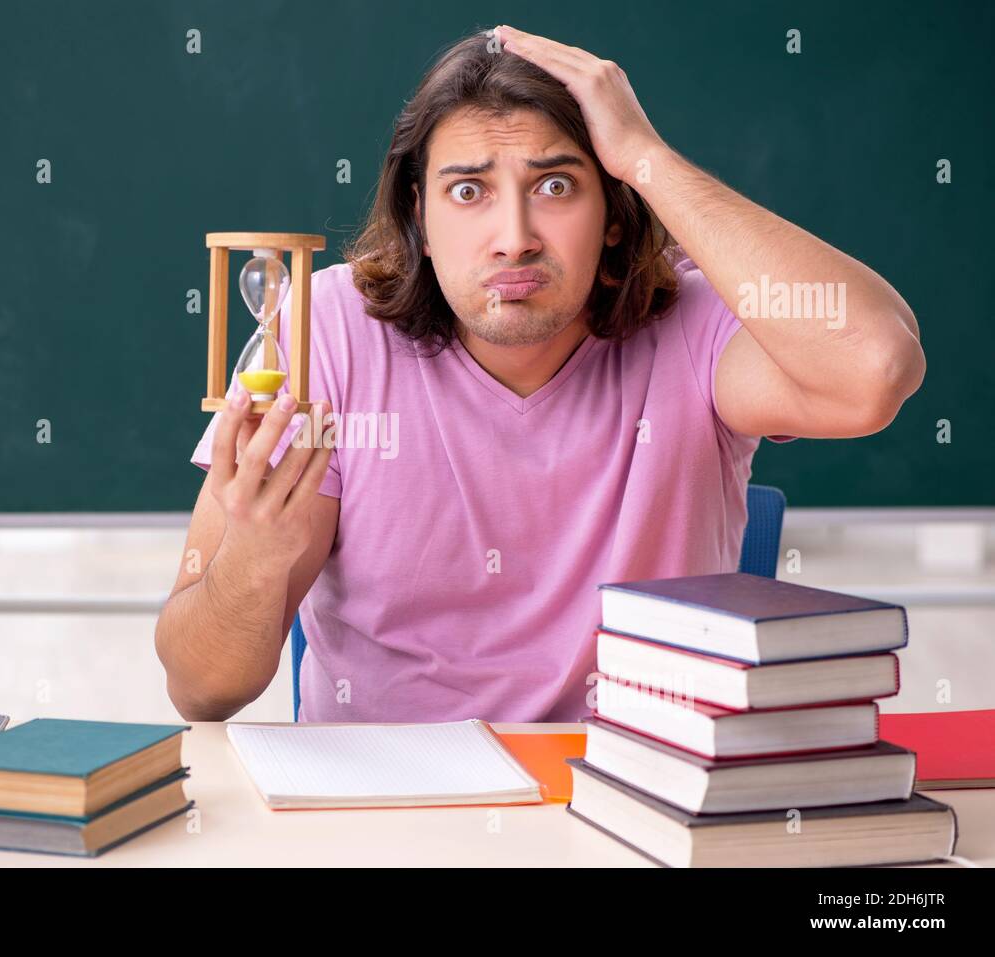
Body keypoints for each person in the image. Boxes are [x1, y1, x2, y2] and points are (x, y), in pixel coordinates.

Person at [155, 25, 924, 722]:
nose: (514, 238)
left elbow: (877, 364)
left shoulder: (699, 323)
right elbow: (201, 688)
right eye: (469, 191)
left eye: (556, 185)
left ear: (616, 211)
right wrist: (252, 560)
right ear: (420, 219)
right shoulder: (325, 327)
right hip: (388, 820)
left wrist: (646, 157)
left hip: (638, 805)